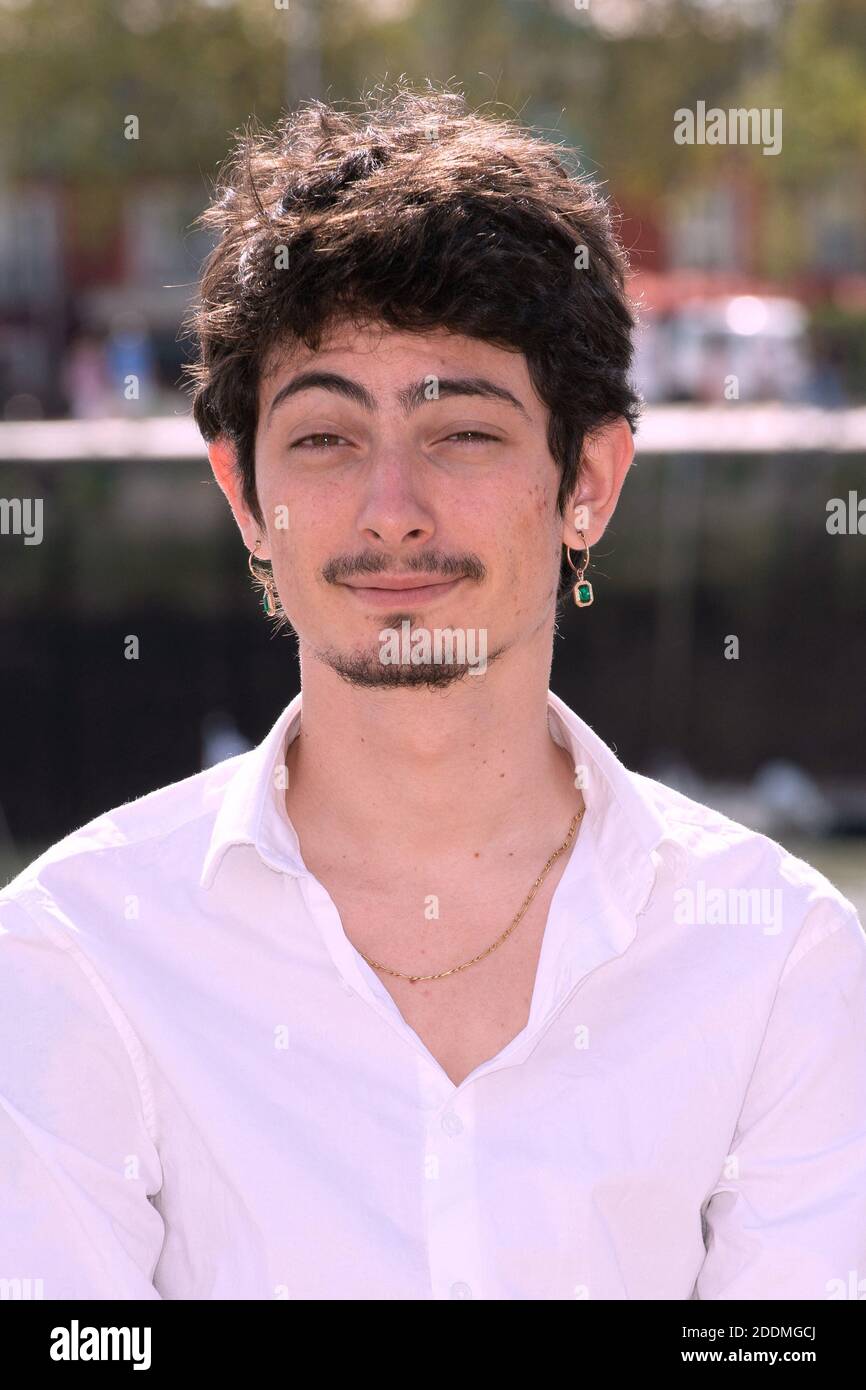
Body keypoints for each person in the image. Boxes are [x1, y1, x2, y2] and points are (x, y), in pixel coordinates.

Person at [1, 83, 864, 1303]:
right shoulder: (73, 953)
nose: (389, 507)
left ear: (589, 482)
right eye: (323, 438)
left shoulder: (780, 962)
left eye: (460, 432)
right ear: (246, 495)